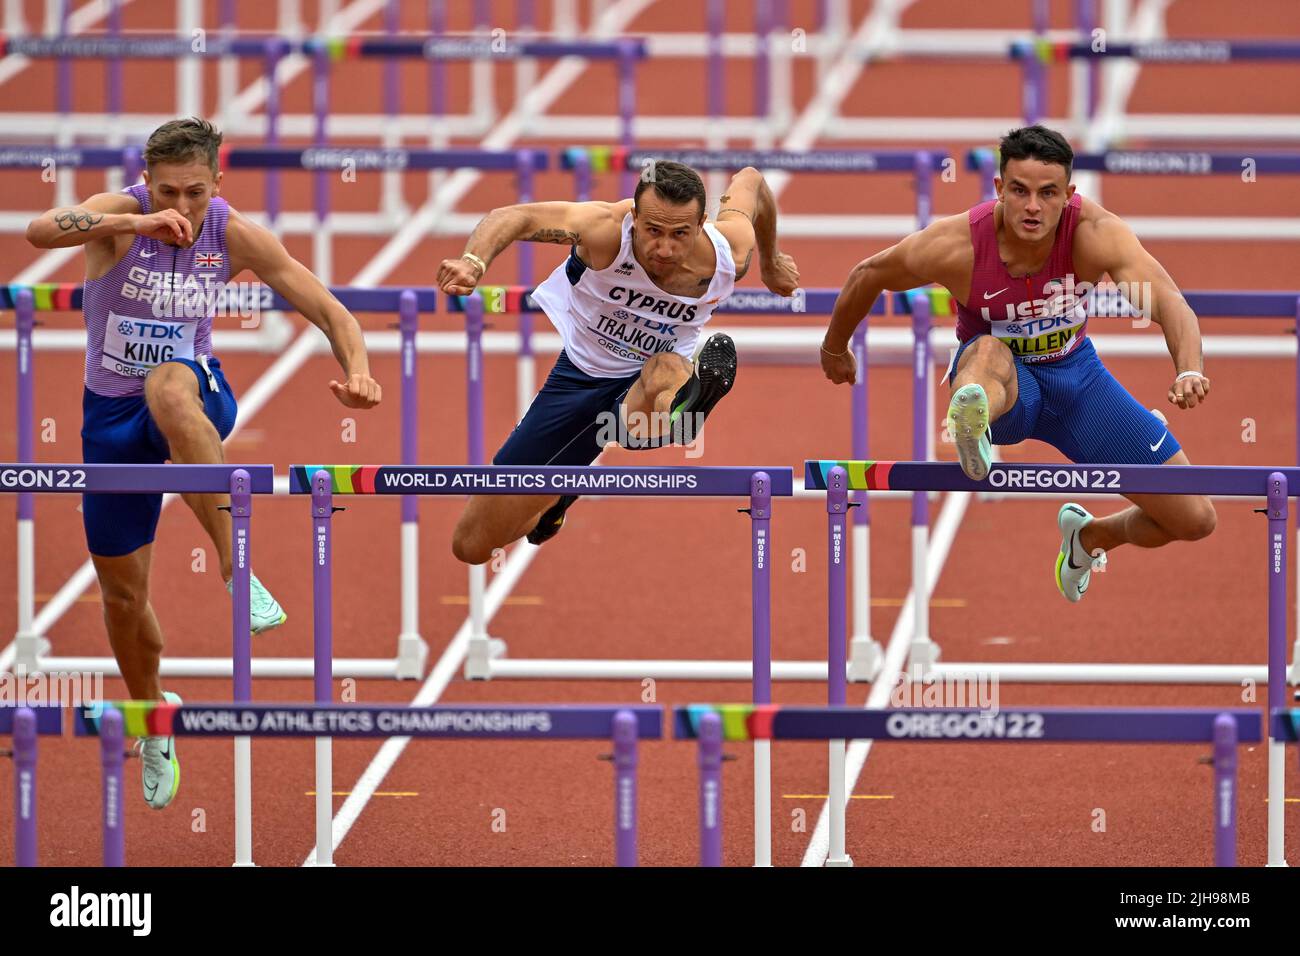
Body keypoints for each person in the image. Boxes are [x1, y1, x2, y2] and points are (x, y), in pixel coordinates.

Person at [25, 117, 382, 808]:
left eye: (194, 192)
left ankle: (234, 566)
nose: (182, 207)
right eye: (168, 190)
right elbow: (40, 231)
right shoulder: (122, 216)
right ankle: (153, 719)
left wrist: (359, 372)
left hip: (197, 397)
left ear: (218, 182)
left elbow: (330, 310)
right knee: (123, 598)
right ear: (146, 179)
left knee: (167, 381)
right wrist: (140, 217)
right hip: (110, 424)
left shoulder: (233, 233)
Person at [819, 125, 1214, 603]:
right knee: (988, 350)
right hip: (1006, 387)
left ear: (1068, 194)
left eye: (1048, 194)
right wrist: (835, 348)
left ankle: (1087, 539)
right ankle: (973, 426)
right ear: (998, 188)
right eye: (1020, 191)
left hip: (1080, 383)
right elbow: (870, 273)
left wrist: (1189, 368)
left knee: (1194, 518)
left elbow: (1168, 300)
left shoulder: (1095, 233)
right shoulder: (957, 244)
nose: (1032, 207)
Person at [437, 160, 800, 564]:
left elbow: (751, 180)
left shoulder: (726, 254)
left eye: (680, 234)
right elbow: (514, 216)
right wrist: (474, 263)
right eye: (653, 231)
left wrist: (770, 261)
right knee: (471, 546)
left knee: (667, 368)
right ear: (634, 218)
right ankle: (554, 499)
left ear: (701, 226)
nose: (665, 248)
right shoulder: (605, 230)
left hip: (644, 392)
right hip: (577, 378)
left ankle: (683, 411)